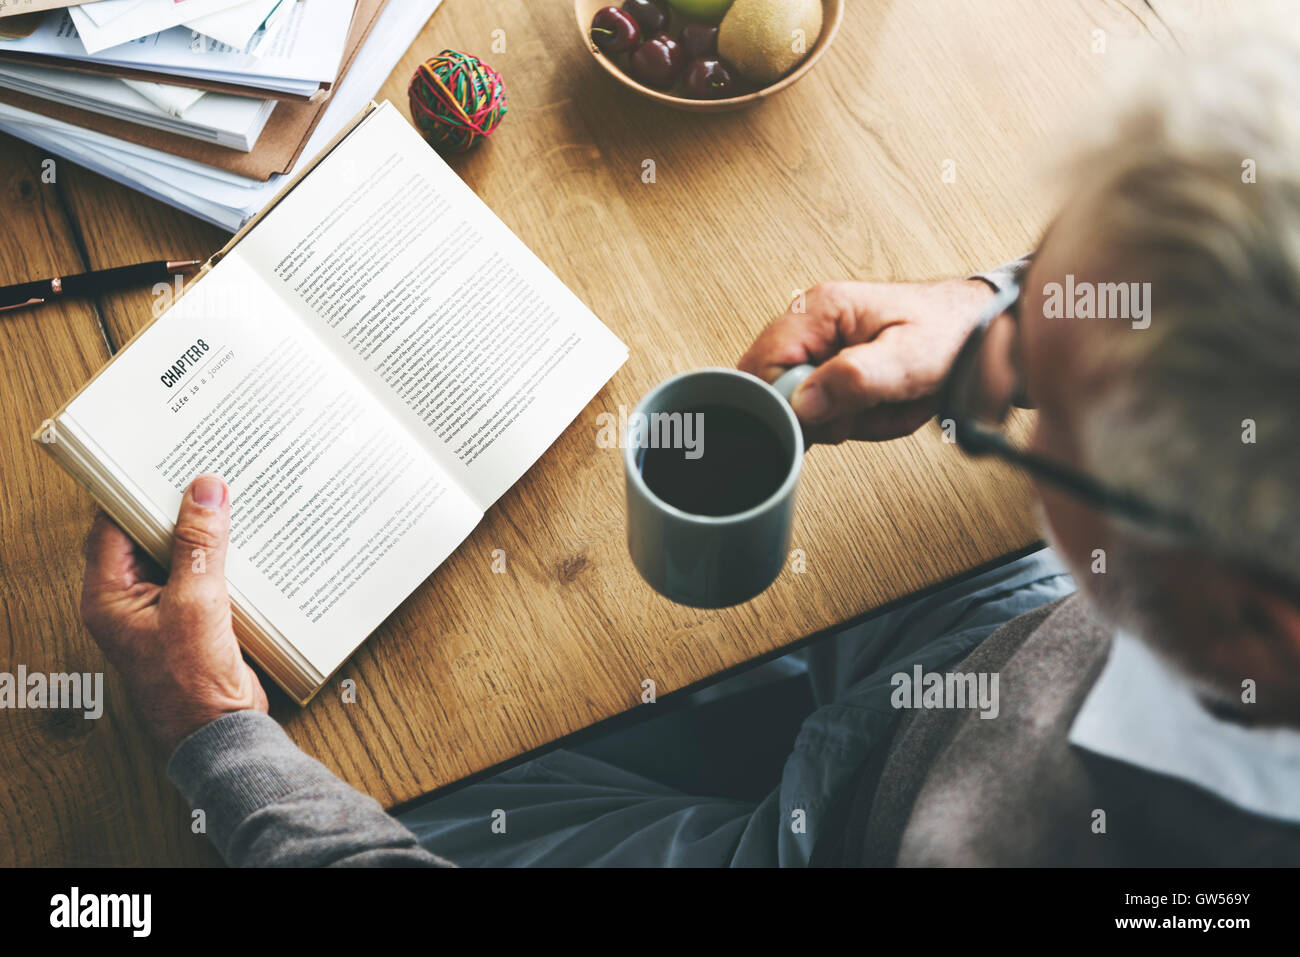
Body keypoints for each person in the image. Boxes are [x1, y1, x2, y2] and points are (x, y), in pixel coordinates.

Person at [79, 33, 1300, 866]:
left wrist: (217, 737)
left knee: (402, 783)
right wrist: (996, 314)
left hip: (867, 826)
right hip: (1000, 647)